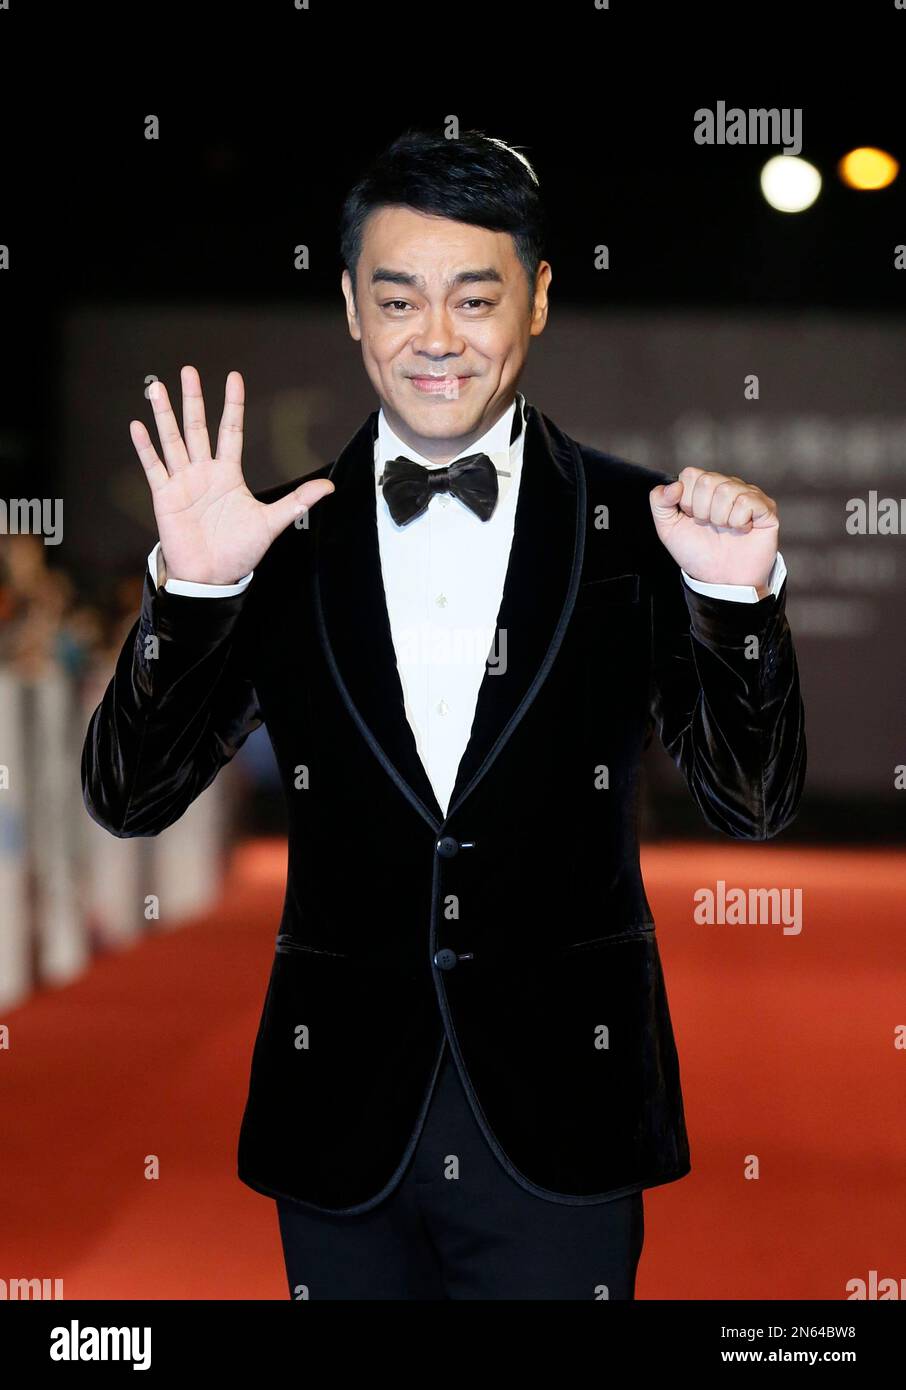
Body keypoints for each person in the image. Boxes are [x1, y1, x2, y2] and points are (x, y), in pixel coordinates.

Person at [81, 128, 806, 1300]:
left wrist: (736, 600)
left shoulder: (642, 527)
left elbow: (758, 804)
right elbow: (126, 798)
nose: (436, 338)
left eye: (475, 298)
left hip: (563, 1119)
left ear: (538, 302)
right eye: (399, 297)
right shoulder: (273, 540)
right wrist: (195, 589)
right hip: (341, 1126)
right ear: (353, 310)